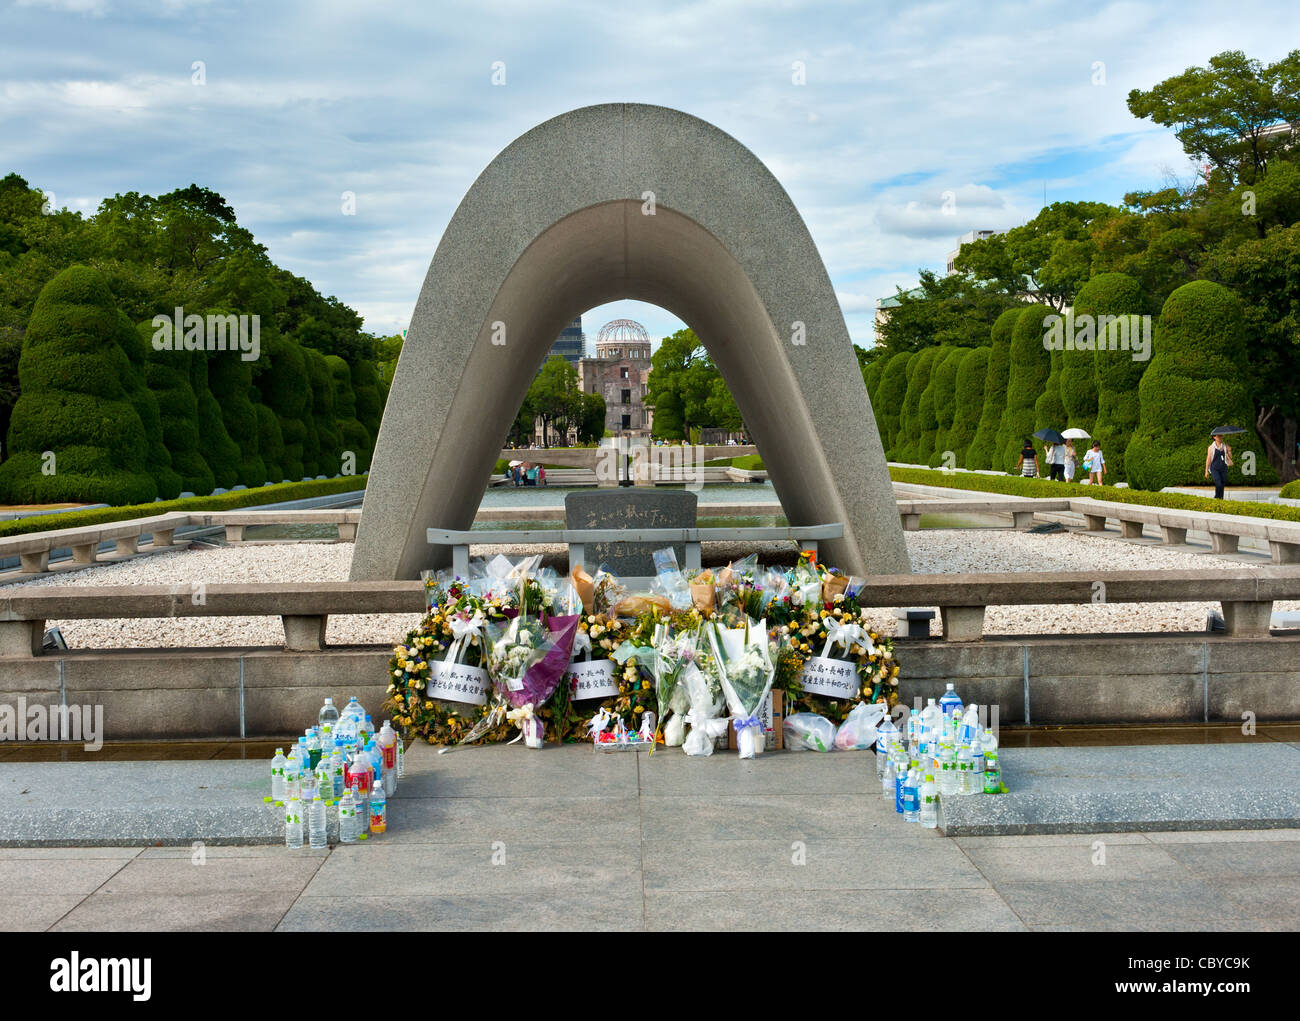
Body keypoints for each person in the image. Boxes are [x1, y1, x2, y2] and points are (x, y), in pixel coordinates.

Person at [1205, 433, 1233, 500]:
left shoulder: (1225, 446)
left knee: (1222, 483)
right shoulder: (1211, 447)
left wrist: (1229, 451)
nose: (1221, 437)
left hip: (1223, 468)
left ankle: (1221, 498)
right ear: (1214, 437)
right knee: (1218, 483)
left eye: (1221, 435)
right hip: (1214, 468)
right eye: (1219, 436)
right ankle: (1217, 497)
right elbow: (1208, 459)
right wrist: (1206, 471)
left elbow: (1230, 457)